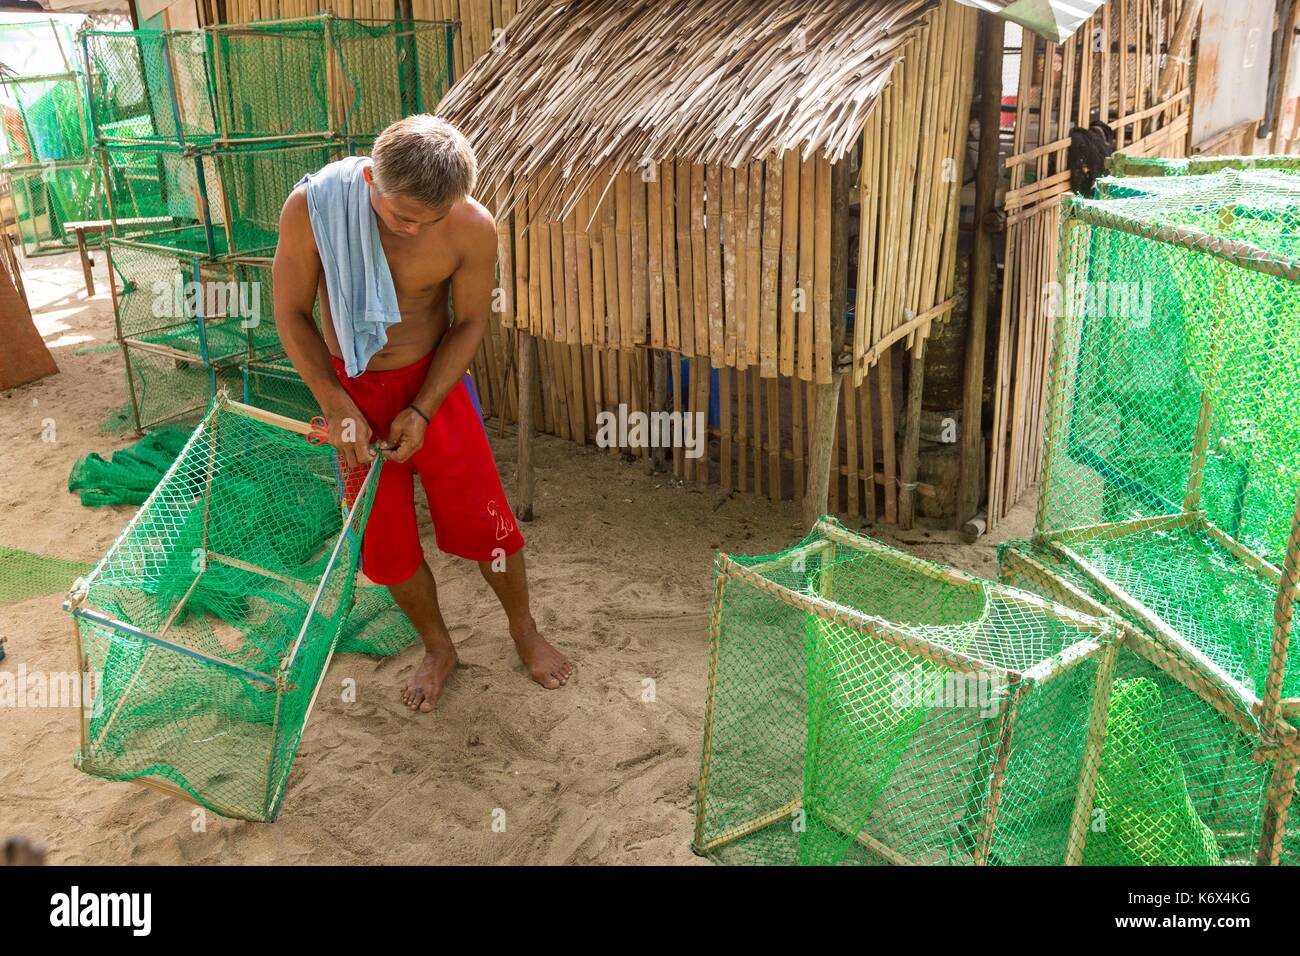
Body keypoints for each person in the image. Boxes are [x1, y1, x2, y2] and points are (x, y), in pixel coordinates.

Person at [273, 115, 572, 713]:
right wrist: (336, 406)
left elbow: (469, 323)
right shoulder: (314, 207)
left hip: (435, 385)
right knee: (384, 545)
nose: (407, 228)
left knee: (490, 525)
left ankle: (523, 629)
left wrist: (424, 408)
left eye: (423, 220)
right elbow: (291, 313)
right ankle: (439, 648)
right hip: (350, 390)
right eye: (394, 212)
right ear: (369, 179)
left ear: (454, 204)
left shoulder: (471, 228)